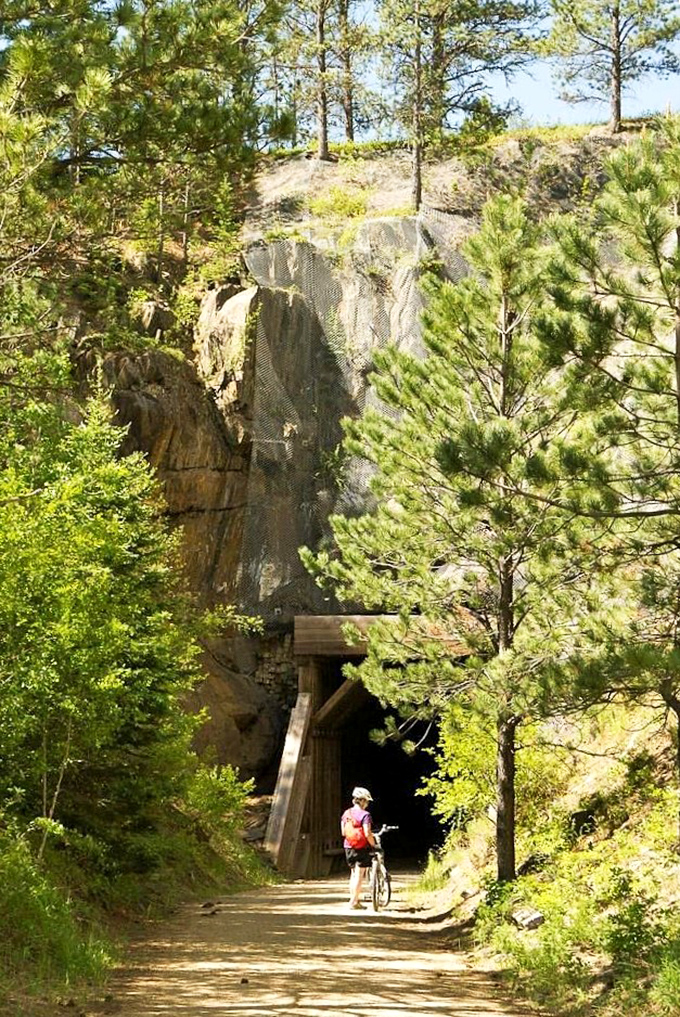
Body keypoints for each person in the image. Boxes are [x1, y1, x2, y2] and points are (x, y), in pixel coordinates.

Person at [341, 786, 376, 909]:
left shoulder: (346, 813)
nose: (367, 804)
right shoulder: (365, 815)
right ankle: (354, 902)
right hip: (361, 847)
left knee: (353, 874)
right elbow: (367, 833)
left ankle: (353, 899)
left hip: (348, 846)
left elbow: (343, 832)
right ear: (361, 801)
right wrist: (373, 845)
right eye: (366, 801)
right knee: (360, 875)